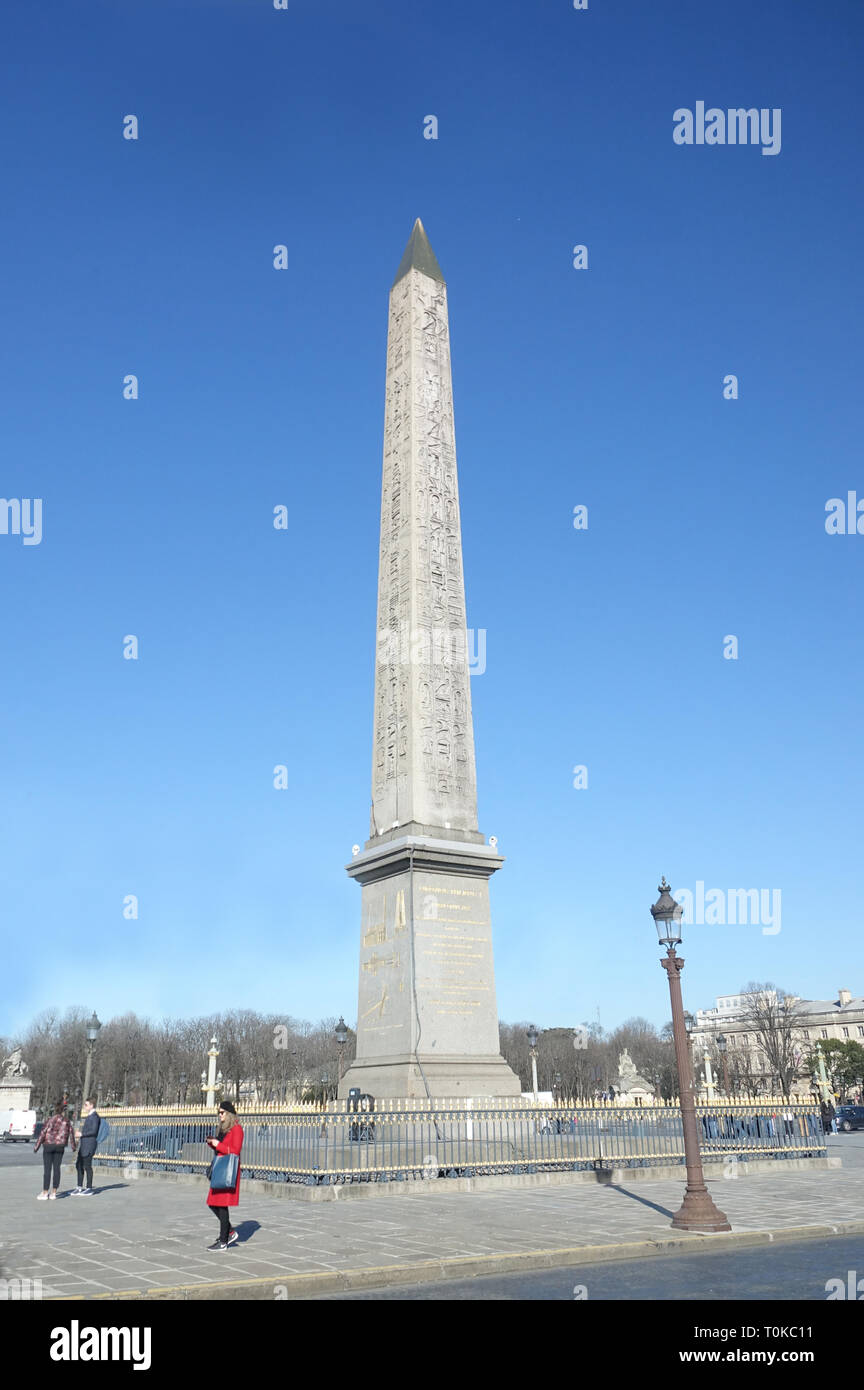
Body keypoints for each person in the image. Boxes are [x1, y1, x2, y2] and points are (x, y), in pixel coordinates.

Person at [205, 1101, 243, 1250]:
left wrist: (217, 1144)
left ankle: (223, 1240)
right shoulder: (223, 1129)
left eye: (222, 1112)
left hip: (227, 1170)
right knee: (213, 1203)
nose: (220, 1115)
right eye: (219, 1113)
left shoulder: (237, 1129)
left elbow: (235, 1151)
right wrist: (211, 1142)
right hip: (220, 1168)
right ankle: (230, 1232)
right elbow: (220, 1147)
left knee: (221, 1204)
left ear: (229, 1114)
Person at [34, 1101, 77, 1199]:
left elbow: (43, 1133)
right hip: (60, 1146)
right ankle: (54, 1192)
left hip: (48, 1145)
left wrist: (36, 1146)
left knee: (47, 1169)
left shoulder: (50, 1120)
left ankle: (45, 1192)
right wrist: (73, 1147)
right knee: (57, 1168)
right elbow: (71, 1134)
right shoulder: (67, 1121)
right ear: (63, 1110)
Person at [72, 1098, 101, 1195]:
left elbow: (94, 1131)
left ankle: (89, 1187)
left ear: (92, 1105)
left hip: (89, 1144)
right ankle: (79, 1186)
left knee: (87, 1166)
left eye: (86, 1104)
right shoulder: (89, 1116)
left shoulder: (95, 1117)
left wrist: (81, 1134)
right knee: (78, 1165)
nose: (85, 1106)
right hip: (84, 1144)